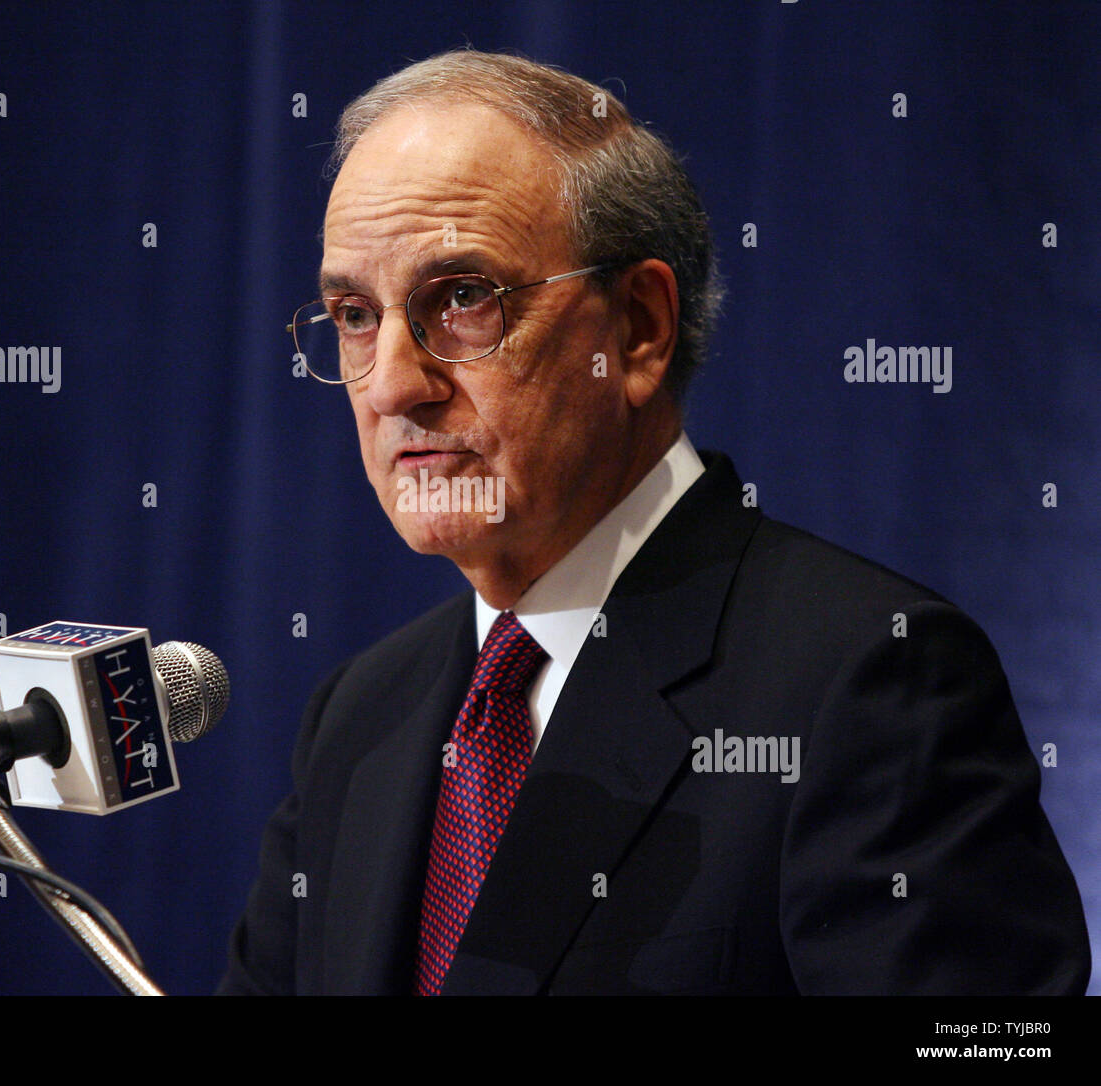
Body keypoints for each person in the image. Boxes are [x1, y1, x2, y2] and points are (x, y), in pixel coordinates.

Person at [218, 49, 1090, 995]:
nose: (390, 382)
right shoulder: (359, 718)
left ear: (636, 329)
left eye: (463, 298)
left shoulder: (870, 681)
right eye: (353, 313)